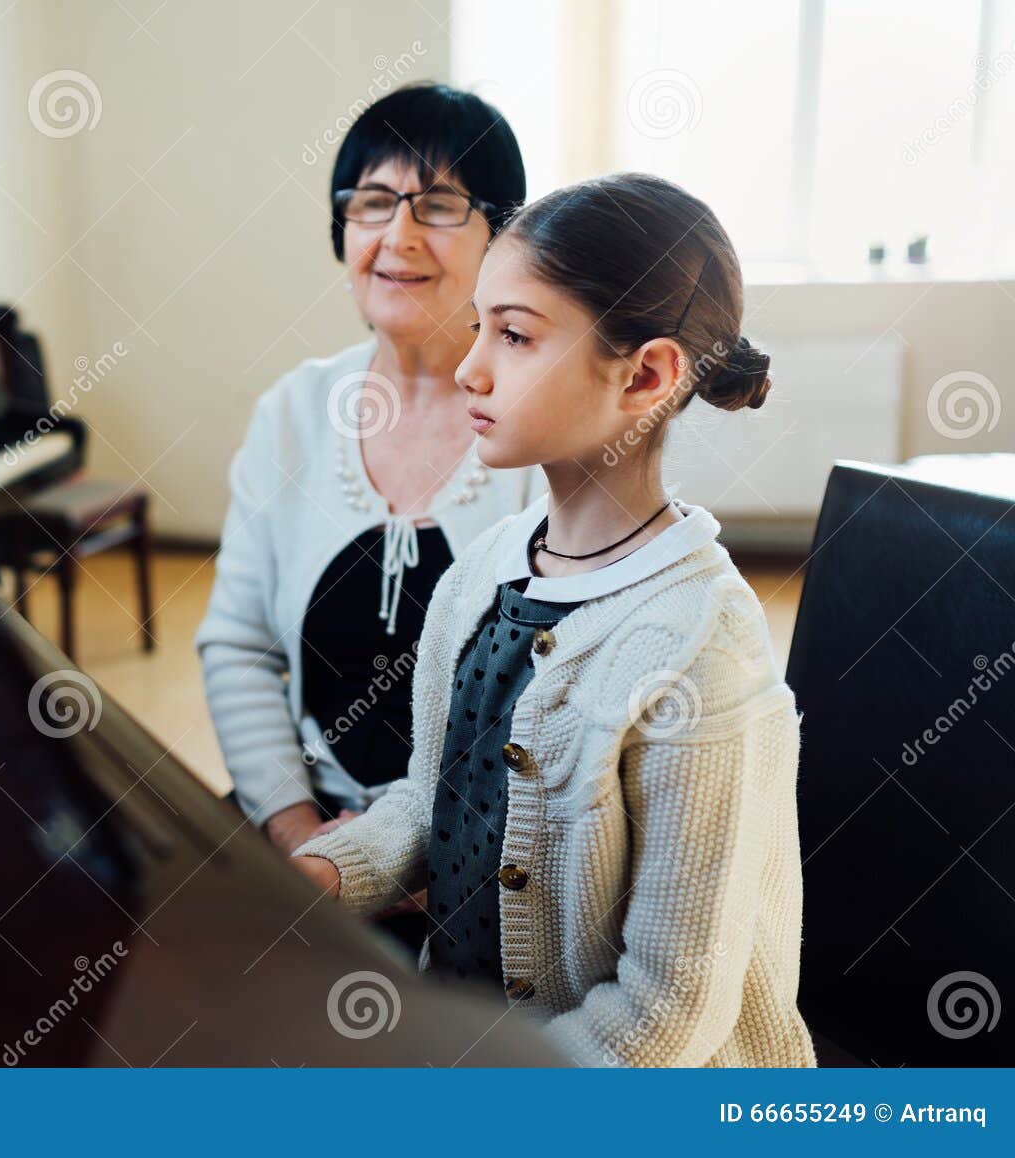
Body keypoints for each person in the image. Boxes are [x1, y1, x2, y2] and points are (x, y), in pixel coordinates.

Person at [291, 172, 817, 1067]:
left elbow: (669, 1015)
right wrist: (319, 876)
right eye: (478, 328)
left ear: (646, 374)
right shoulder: (483, 573)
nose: (470, 368)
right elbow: (432, 801)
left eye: (516, 335)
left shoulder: (699, 647)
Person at [196, 85, 541, 873]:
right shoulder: (292, 412)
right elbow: (239, 645)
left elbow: (563, 713)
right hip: (301, 831)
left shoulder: (544, 429)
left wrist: (420, 862)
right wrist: (298, 833)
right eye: (374, 202)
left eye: (441, 204)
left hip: (489, 864)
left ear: (503, 236)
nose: (399, 235)